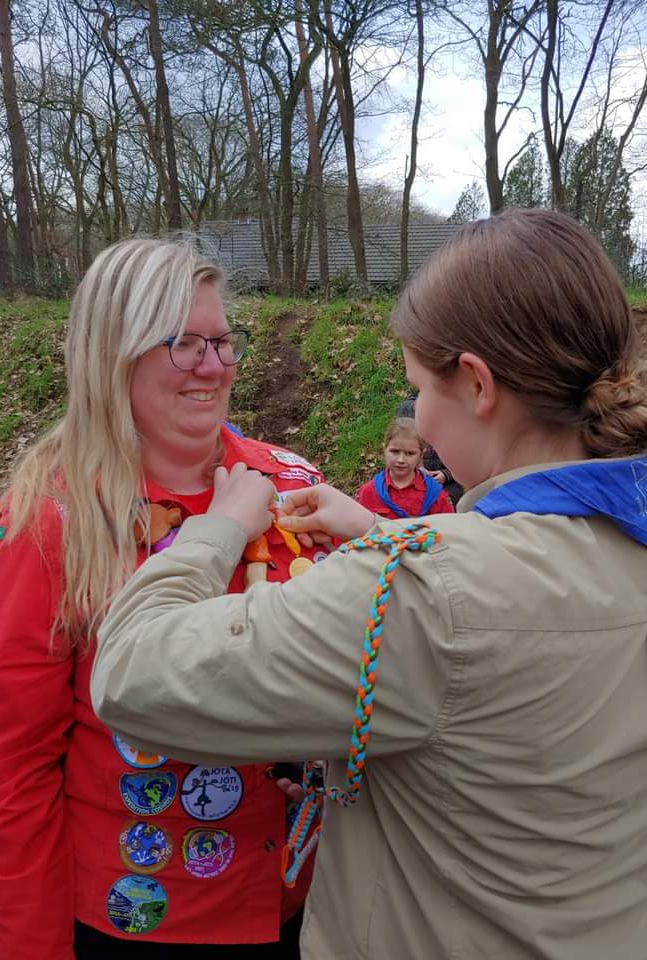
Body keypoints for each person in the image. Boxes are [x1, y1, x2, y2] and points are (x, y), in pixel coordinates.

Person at [92, 210, 647, 960]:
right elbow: (535, 608)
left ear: (478, 385)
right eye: (185, 343)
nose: (417, 416)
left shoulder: (420, 593)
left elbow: (131, 674)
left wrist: (215, 530)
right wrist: (387, 533)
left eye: (419, 389)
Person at [0, 239, 324, 960]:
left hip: (304, 902)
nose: (213, 367)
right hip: (141, 919)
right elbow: (4, 771)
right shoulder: (47, 520)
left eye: (222, 342)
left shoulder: (294, 486)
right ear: (112, 354)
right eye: (184, 344)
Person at [354, 416, 454, 518]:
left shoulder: (436, 496)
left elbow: (451, 530)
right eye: (395, 451)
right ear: (384, 449)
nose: (401, 460)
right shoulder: (368, 493)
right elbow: (351, 528)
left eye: (410, 453)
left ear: (421, 454)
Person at [397, 395, 463, 502]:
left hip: (448, 481)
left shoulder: (454, 435)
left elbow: (464, 462)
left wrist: (445, 475)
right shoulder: (409, 437)